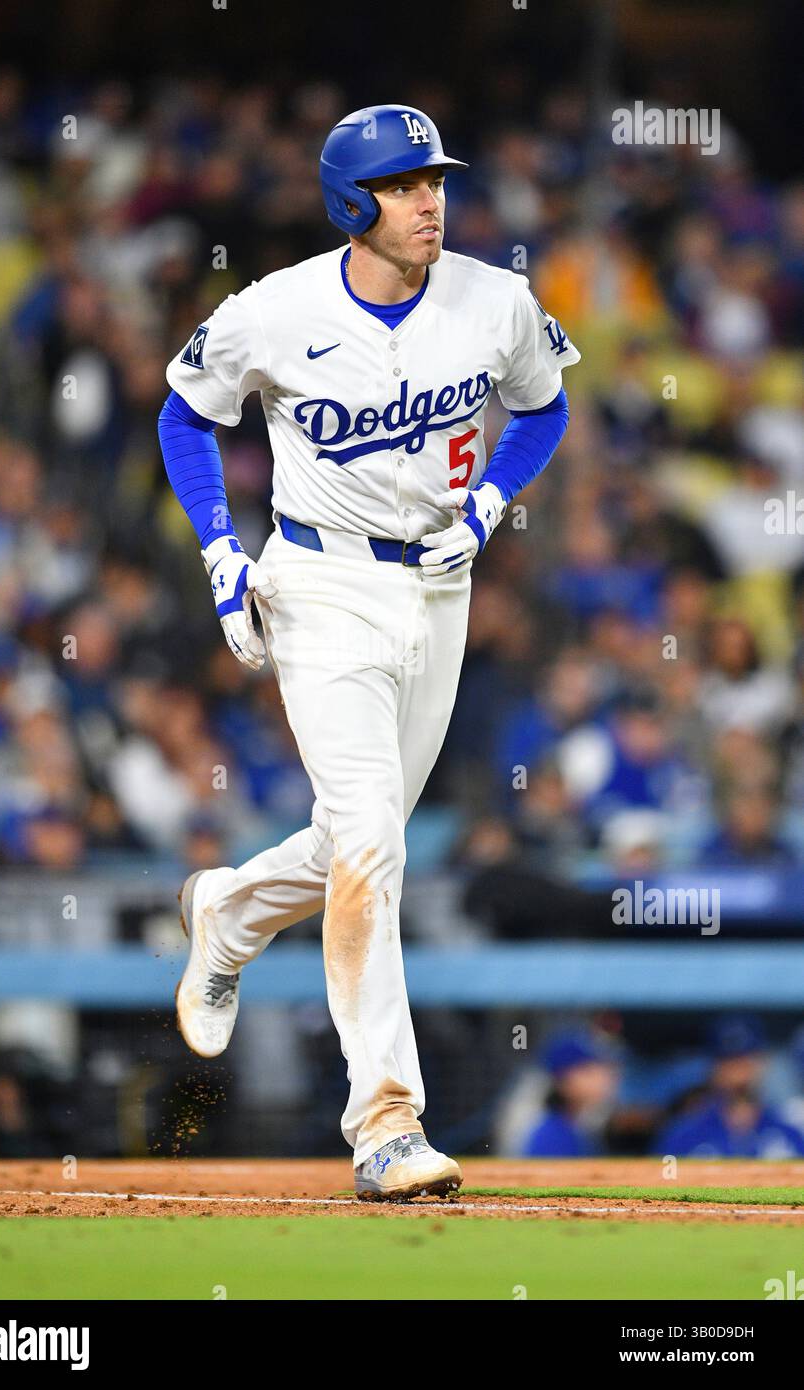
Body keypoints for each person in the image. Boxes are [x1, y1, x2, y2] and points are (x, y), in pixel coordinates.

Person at [158, 104, 579, 1200]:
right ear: (353, 203)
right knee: (372, 851)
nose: (428, 199)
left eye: (433, 178)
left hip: (440, 584)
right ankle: (385, 1123)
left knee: (362, 835)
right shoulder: (275, 309)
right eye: (402, 185)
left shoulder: (494, 299)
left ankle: (229, 910)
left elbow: (544, 406)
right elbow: (182, 413)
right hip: (319, 581)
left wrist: (487, 504)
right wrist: (218, 552)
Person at [656, 1016, 804, 1158]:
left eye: (746, 1059)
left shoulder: (789, 1134)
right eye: (729, 1061)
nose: (739, 1072)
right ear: (713, 1067)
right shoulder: (683, 1137)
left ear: (763, 1062)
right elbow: (662, 1179)